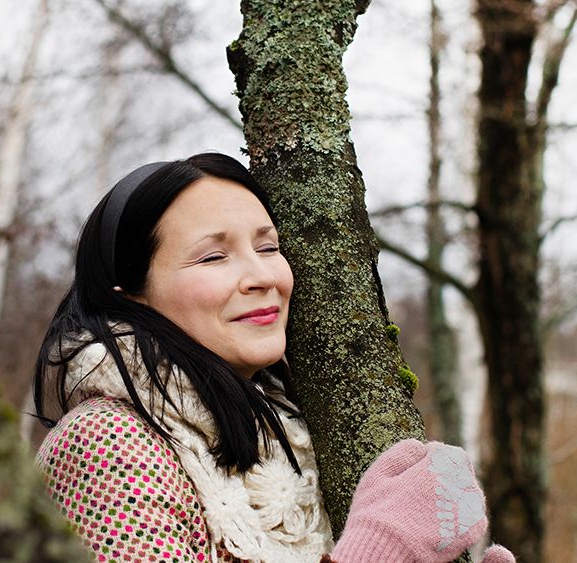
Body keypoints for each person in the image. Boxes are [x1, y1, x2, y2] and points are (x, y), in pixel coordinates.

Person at [32, 153, 513, 563]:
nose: (262, 275)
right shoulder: (104, 442)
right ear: (129, 296)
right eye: (213, 257)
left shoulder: (292, 430)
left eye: (268, 247)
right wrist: (383, 546)